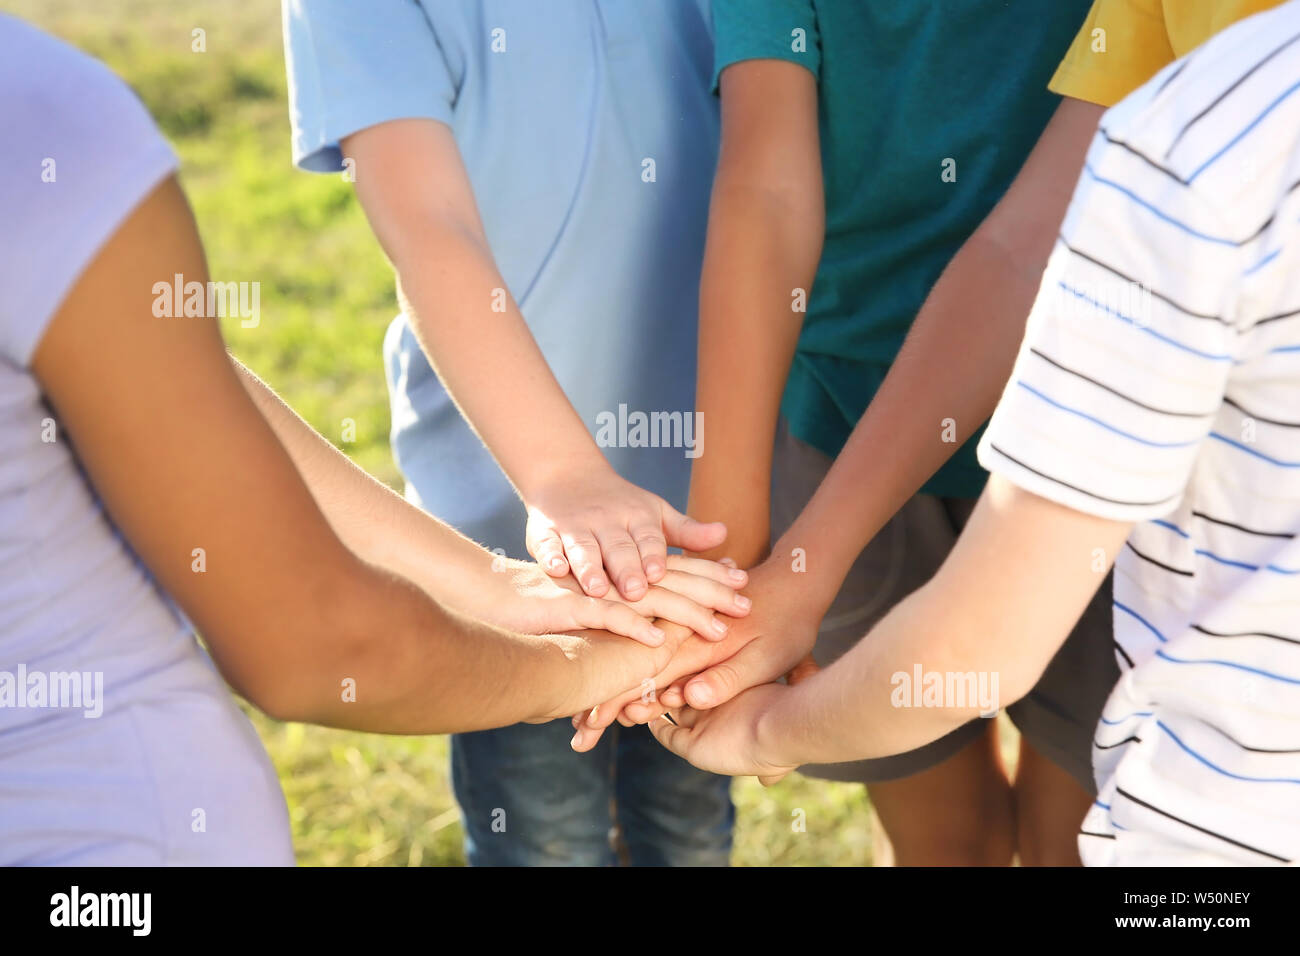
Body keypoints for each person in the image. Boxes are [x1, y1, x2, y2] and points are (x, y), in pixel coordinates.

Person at [0, 13, 742, 865]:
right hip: (500, 523)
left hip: (684, 516)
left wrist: (514, 588)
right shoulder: (47, 124)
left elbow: (187, 379)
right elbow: (314, 642)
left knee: (686, 823)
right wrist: (550, 589)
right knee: (541, 833)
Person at [574, 0, 1290, 866]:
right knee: (950, 838)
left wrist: (766, 722)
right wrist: (735, 573)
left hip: (1142, 451)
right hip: (851, 411)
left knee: (1082, 830)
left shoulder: (1208, 107)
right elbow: (998, 245)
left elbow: (981, 642)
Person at [281, 0, 737, 865]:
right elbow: (425, 222)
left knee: (687, 822)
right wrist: (563, 477)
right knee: (541, 835)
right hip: (510, 537)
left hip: (708, 515)